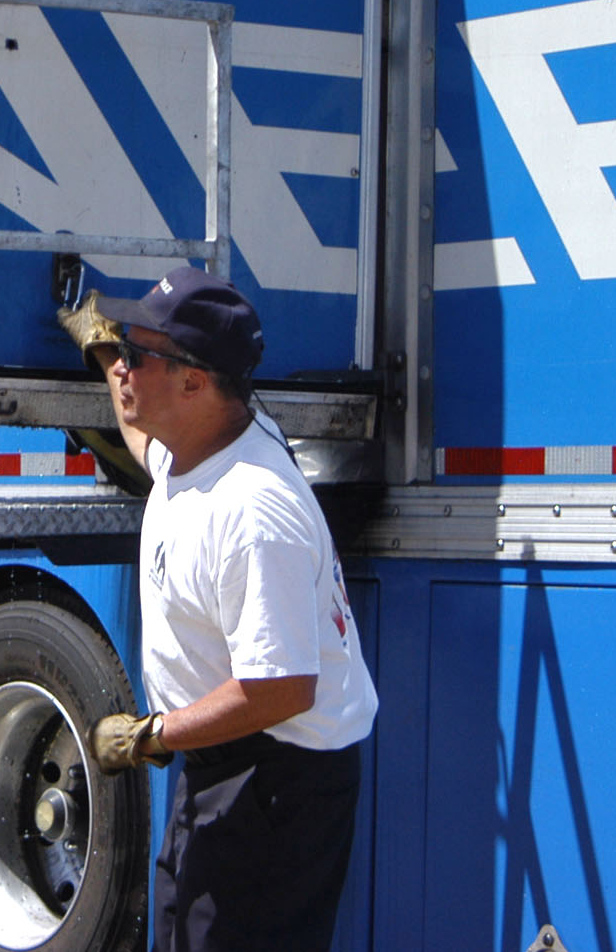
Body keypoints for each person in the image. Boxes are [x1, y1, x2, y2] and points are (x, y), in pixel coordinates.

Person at [87, 267, 377, 952]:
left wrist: (150, 736)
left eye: (141, 354)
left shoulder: (253, 510)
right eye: (126, 350)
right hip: (228, 764)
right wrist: (103, 351)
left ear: (195, 381)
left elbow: (280, 689)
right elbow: (141, 442)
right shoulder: (194, 445)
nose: (128, 368)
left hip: (276, 781)